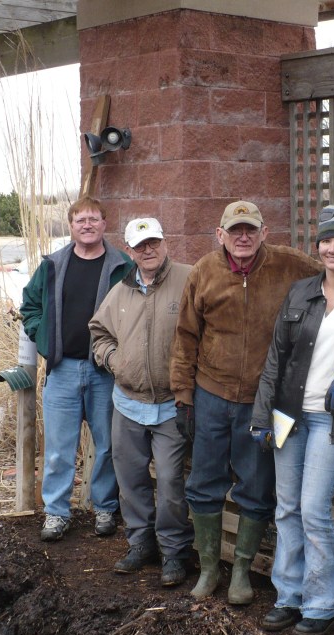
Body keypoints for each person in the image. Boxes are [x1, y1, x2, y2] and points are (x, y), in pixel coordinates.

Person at [169, 200, 321, 604]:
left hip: (261, 399)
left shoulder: (292, 266)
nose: (243, 237)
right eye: (234, 231)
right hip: (211, 394)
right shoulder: (204, 272)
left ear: (264, 233)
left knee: (255, 487)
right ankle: (208, 570)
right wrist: (183, 397)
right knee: (204, 484)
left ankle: (241, 572)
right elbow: (185, 337)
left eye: (250, 230)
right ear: (220, 235)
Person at [250, 205, 334, 635]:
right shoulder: (301, 292)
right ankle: (288, 595)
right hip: (290, 415)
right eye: (327, 240)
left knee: (312, 509)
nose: (332, 247)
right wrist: (262, 415)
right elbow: (276, 360)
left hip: (332, 420)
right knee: (285, 507)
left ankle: (323, 603)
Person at [89, 217, 194, 587]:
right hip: (128, 403)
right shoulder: (121, 289)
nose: (148, 250)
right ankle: (140, 544)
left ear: (165, 243)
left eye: (154, 243)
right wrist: (114, 360)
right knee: (130, 480)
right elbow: (98, 333)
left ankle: (174, 552)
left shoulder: (189, 279)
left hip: (170, 404)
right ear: (130, 251)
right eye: (140, 245)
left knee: (168, 483)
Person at [20, 197, 132, 542]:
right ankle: (56, 513)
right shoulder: (53, 265)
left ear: (104, 224)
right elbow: (30, 305)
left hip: (105, 372)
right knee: (58, 448)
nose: (87, 225)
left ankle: (104, 508)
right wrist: (44, 338)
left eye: (94, 219)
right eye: (81, 219)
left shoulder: (122, 266)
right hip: (63, 369)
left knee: (108, 445)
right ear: (71, 225)